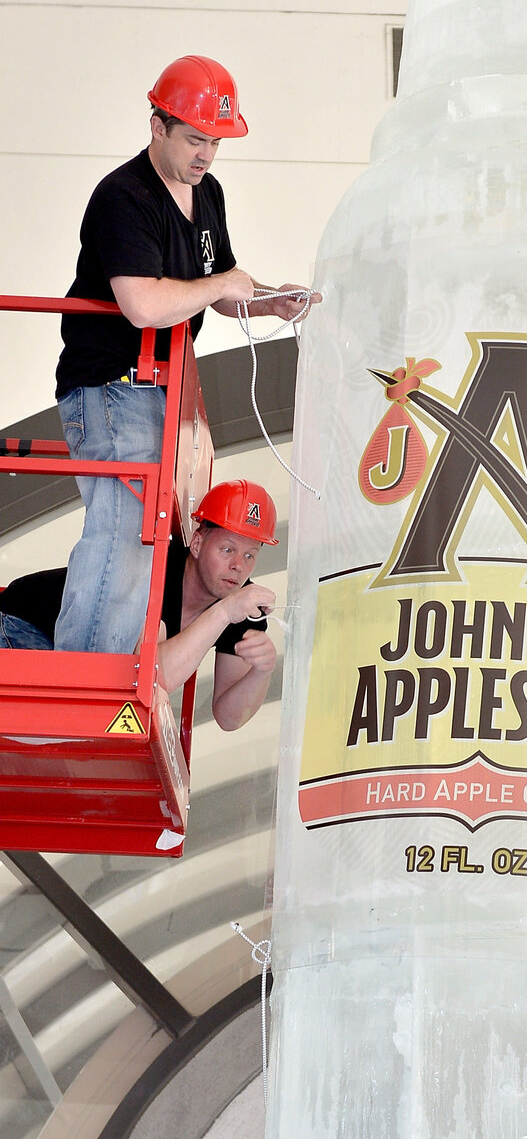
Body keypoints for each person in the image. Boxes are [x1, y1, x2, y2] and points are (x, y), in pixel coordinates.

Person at [53, 55, 318, 655]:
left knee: (146, 543)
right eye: (196, 139)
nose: (206, 155)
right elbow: (144, 304)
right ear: (157, 127)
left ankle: (116, 666)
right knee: (123, 533)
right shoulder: (124, 197)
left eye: (216, 143)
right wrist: (224, 286)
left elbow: (215, 284)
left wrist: (267, 301)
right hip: (113, 385)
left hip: (157, 390)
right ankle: (91, 672)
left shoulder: (209, 194)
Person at [0, 480, 279, 732]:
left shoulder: (241, 608)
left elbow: (229, 718)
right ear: (197, 543)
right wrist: (223, 612)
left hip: (62, 659)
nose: (238, 566)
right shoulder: (156, 566)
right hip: (17, 624)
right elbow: (150, 677)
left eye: (250, 555)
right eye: (227, 549)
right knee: (62, 727)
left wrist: (262, 671)